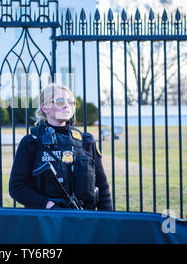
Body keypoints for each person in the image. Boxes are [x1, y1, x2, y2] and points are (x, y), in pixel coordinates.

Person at [9, 83, 113, 211]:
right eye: (59, 101)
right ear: (45, 108)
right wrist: (47, 204)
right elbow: (17, 187)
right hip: (45, 221)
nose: (66, 105)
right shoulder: (31, 142)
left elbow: (102, 188)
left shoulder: (86, 141)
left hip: (83, 220)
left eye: (70, 101)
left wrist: (108, 222)